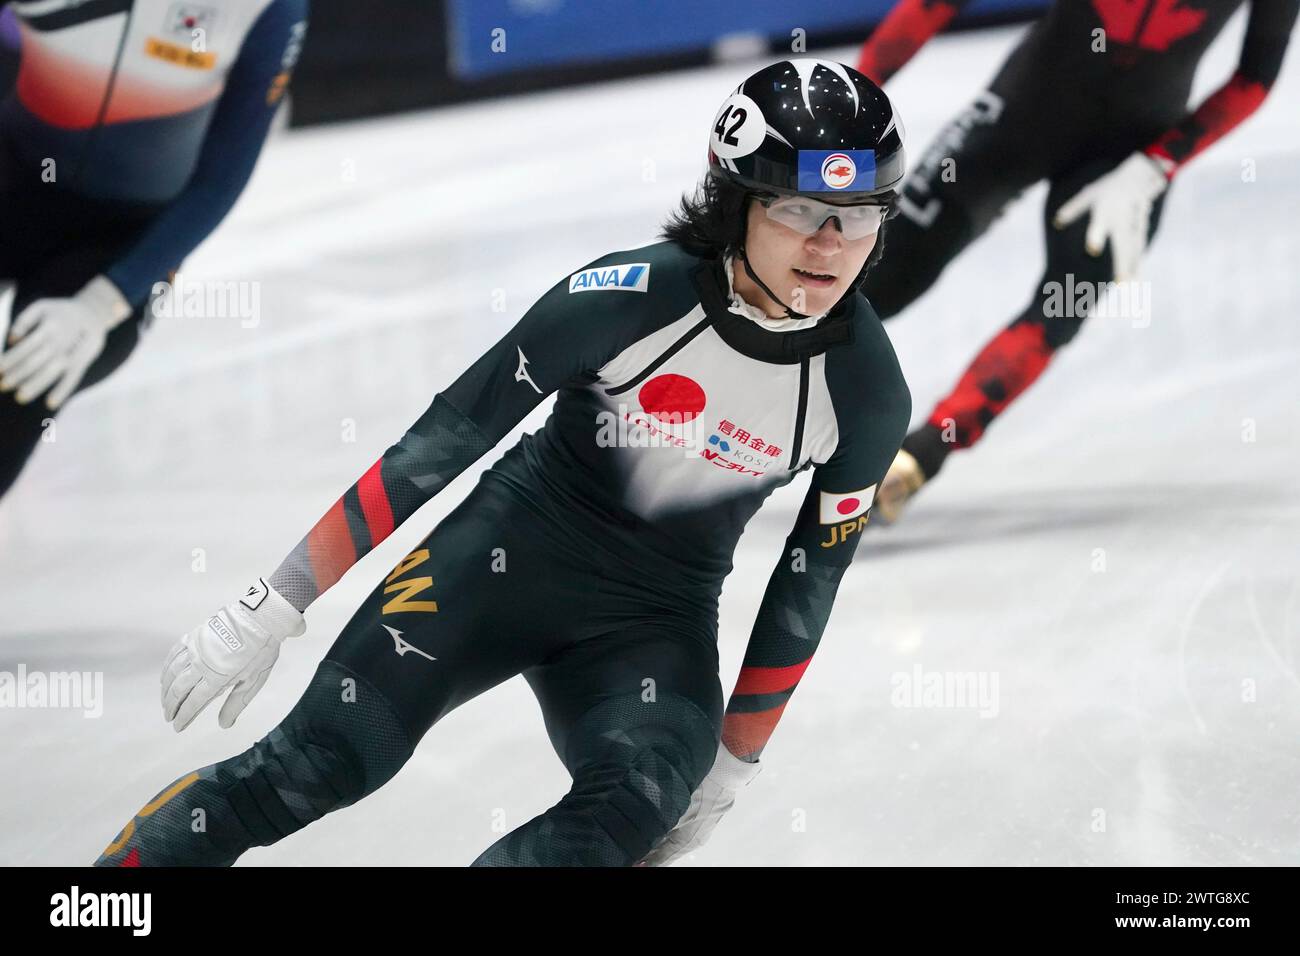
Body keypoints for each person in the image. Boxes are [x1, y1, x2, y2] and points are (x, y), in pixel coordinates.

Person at [93, 58, 911, 867]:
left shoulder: (868, 394)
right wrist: (277, 600)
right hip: (500, 558)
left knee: (631, 804)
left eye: (861, 213)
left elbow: (808, 584)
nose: (830, 244)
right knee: (310, 768)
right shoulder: (624, 299)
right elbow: (442, 442)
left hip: (654, 623)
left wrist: (733, 765)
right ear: (737, 203)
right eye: (802, 209)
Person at [854, 0, 1298, 522]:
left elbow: (1254, 78)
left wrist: (1157, 165)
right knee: (887, 274)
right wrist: (857, 95)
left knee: (1063, 303)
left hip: (1128, 154)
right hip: (1023, 111)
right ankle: (757, 371)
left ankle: (922, 454)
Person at [0, 0, 309, 498]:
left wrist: (101, 305)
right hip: (18, 178)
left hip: (122, 240)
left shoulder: (269, 7)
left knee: (28, 382)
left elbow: (221, 177)